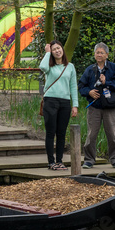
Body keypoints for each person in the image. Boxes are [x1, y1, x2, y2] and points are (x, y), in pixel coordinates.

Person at [78, 42, 115, 169]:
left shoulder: (114, 68)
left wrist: (106, 82)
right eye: (97, 52)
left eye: (102, 52)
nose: (99, 55)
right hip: (94, 107)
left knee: (113, 134)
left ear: (107, 55)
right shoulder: (90, 69)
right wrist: (89, 92)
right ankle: (89, 160)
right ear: (94, 55)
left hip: (110, 106)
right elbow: (81, 86)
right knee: (91, 134)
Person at [40, 40, 79, 171]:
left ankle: (60, 161)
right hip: (50, 100)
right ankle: (51, 162)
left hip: (65, 102)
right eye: (54, 49)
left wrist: (75, 105)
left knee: (61, 133)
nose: (57, 51)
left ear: (62, 49)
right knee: (51, 132)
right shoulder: (49, 66)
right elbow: (43, 67)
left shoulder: (70, 67)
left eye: (59, 48)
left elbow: (73, 86)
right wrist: (46, 53)